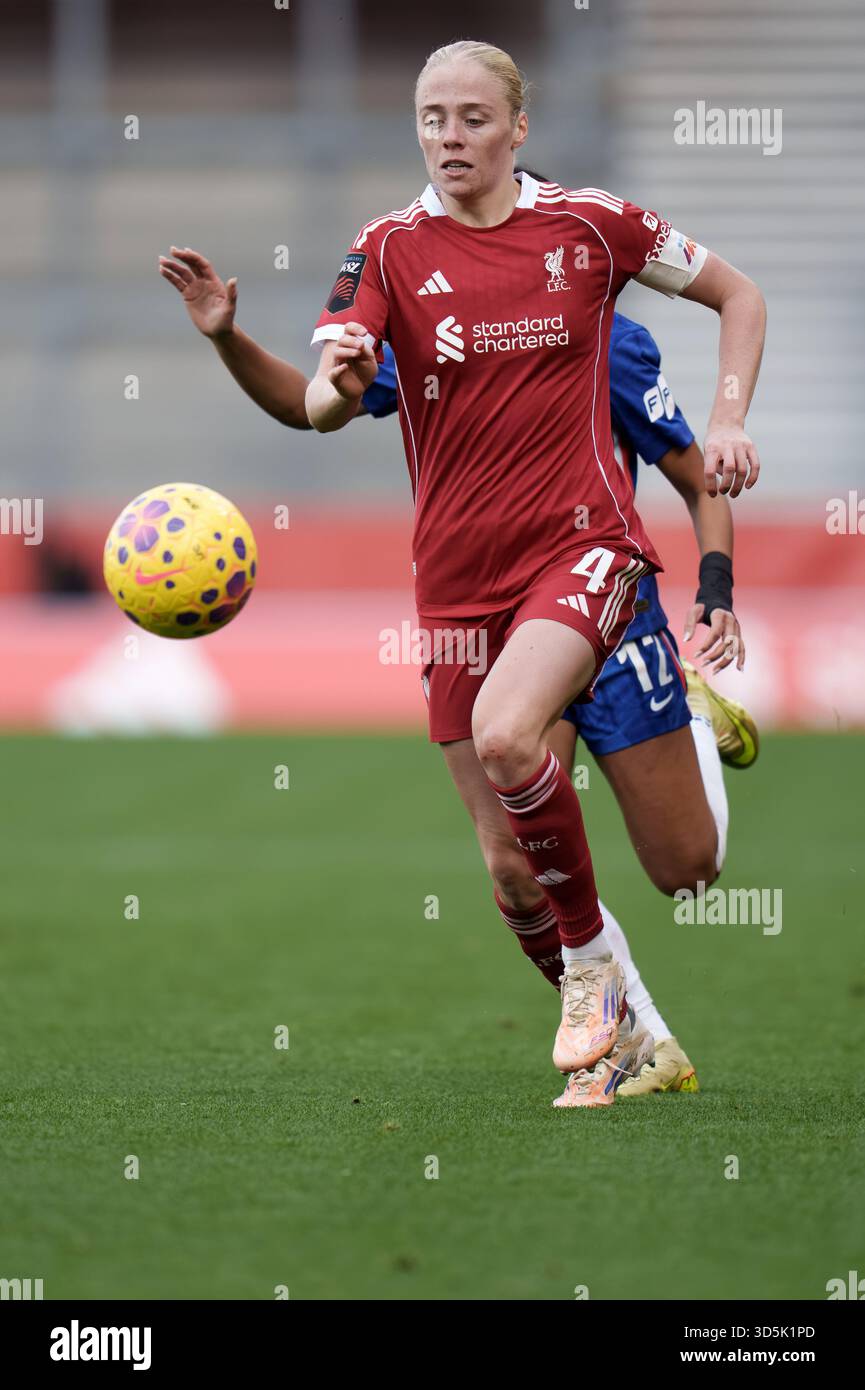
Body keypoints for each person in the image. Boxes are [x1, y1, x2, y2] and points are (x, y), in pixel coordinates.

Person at [161, 40, 766, 1106]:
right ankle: (640, 1043)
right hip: (455, 591)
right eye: (432, 116)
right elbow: (319, 406)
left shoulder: (590, 230)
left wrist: (724, 424)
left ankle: (590, 959)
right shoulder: (388, 252)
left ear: (517, 127)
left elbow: (737, 295)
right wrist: (230, 340)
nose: (450, 135)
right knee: (509, 871)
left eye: (474, 117)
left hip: (585, 550)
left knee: (663, 852)